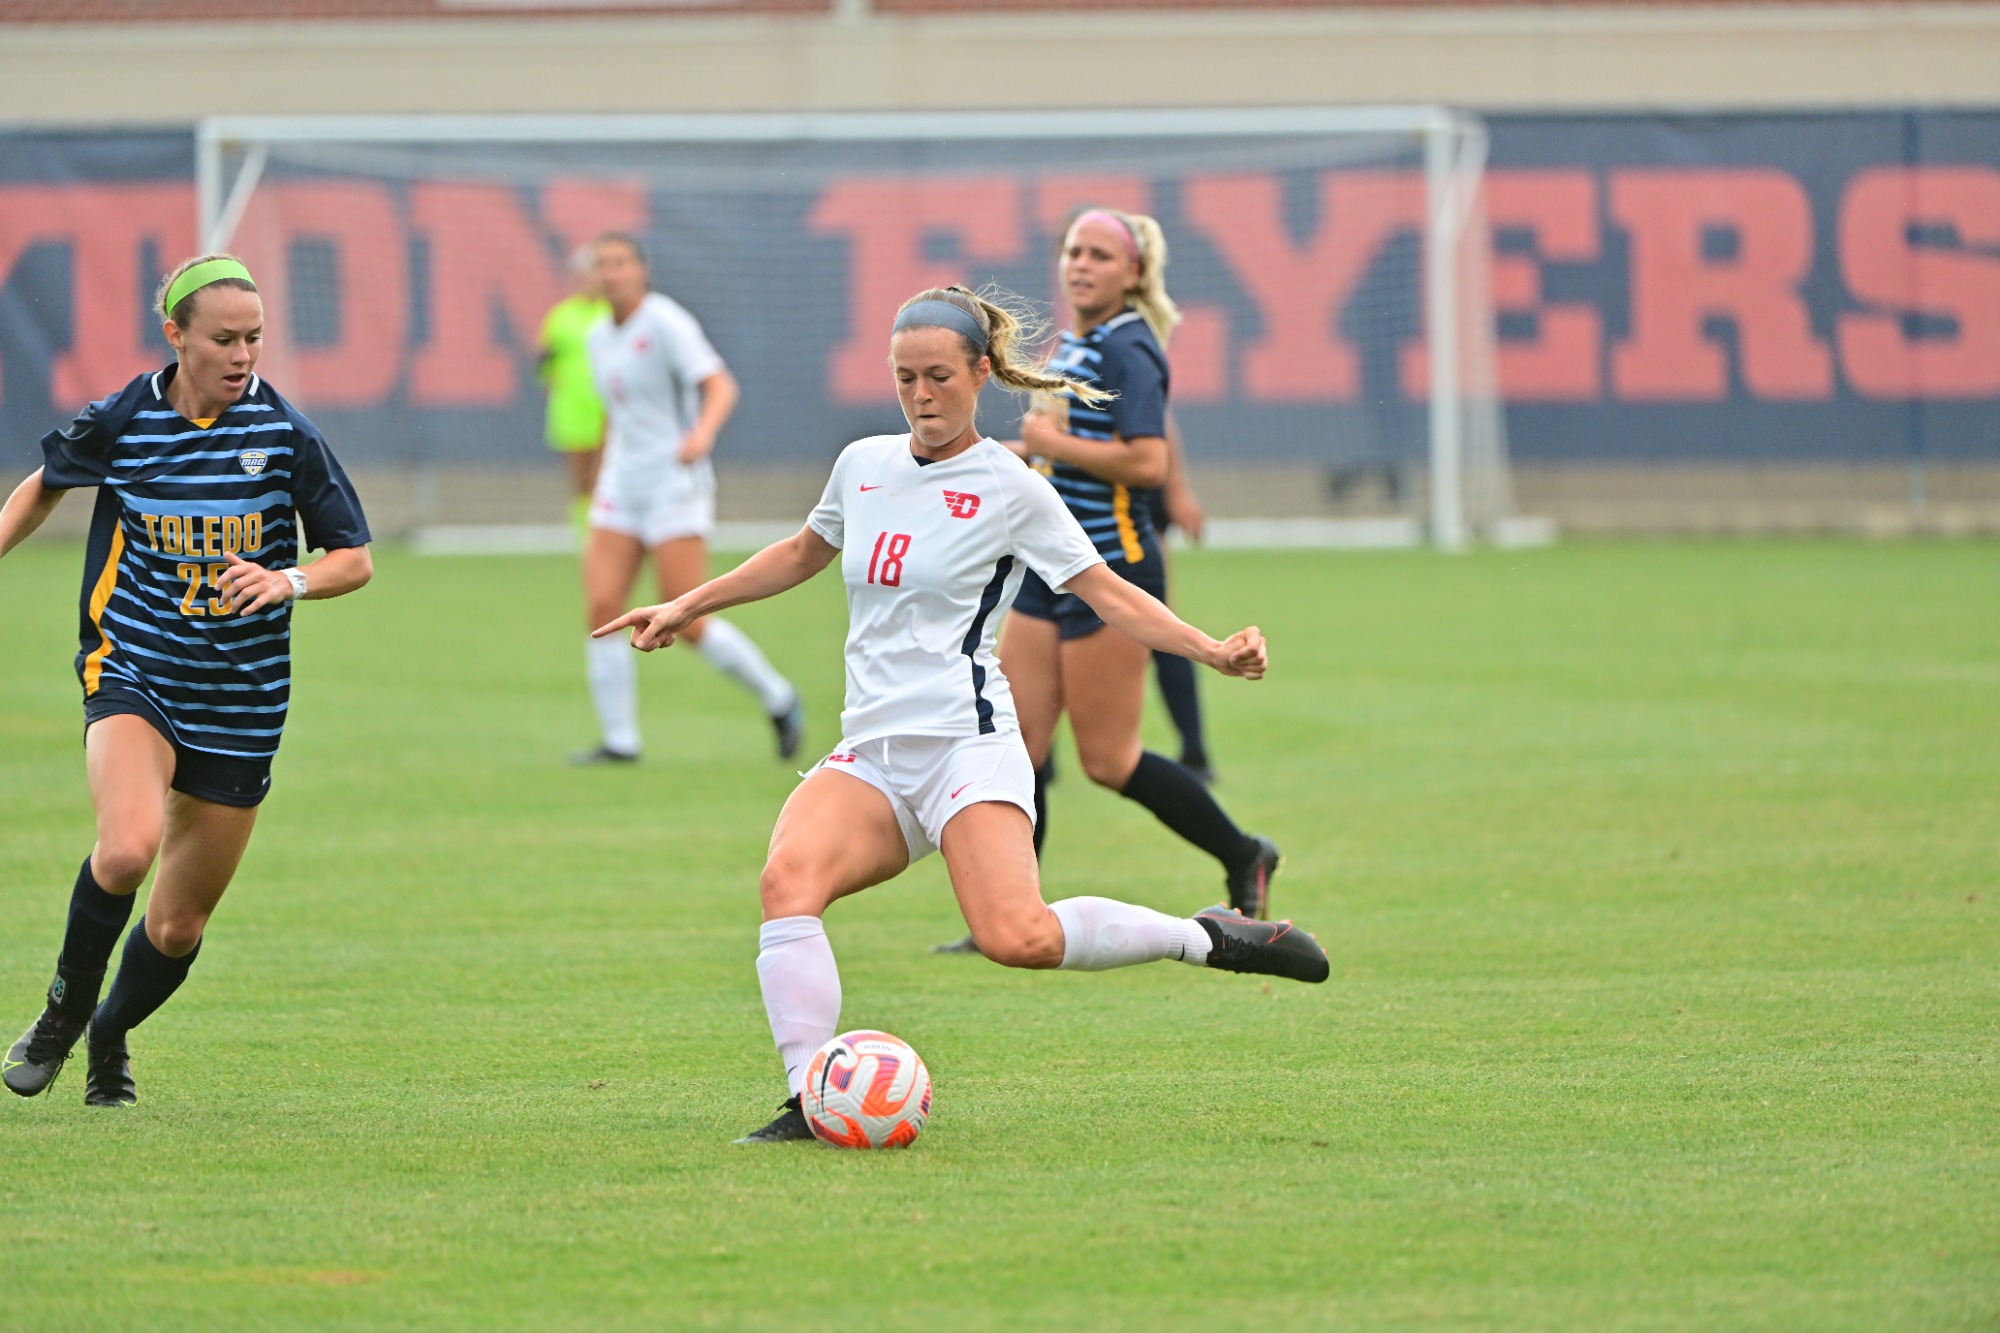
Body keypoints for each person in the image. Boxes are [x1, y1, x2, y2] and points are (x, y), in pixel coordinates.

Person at [593, 285, 1328, 1145]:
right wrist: (687, 604)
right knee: (786, 884)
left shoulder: (1010, 486)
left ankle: (1205, 935)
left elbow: (1106, 593)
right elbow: (802, 551)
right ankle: (812, 1095)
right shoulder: (861, 463)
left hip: (967, 750)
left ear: (982, 373)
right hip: (873, 751)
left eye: (939, 375)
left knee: (1018, 936)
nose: (921, 394)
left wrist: (1208, 649)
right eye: (905, 377)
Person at [0, 253, 372, 1107]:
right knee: (126, 846)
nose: (243, 355)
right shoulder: (125, 417)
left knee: (177, 925)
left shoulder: (283, 433)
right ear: (176, 336)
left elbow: (355, 558)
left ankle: (109, 1031)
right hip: (132, 666)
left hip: (241, 699)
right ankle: (62, 1012)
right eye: (224, 338)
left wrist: (291, 580)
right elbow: (43, 487)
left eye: (255, 338)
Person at [1000, 207, 1278, 918]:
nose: (1081, 264)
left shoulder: (1131, 347)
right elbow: (1047, 449)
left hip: (1114, 566)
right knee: (1014, 746)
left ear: (1133, 273)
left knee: (1108, 760)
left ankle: (1242, 852)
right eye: (1073, 250)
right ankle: (1011, 911)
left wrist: (1053, 447)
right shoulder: (1074, 345)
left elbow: (1148, 460)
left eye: (1099, 253)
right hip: (1049, 565)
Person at [575, 231, 803, 765]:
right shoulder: (595, 336)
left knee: (688, 617)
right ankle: (620, 741)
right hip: (621, 487)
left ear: (640, 270)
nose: (610, 273)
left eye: (619, 263)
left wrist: (700, 436)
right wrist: (601, 465)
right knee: (603, 608)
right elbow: (618, 409)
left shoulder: (665, 321)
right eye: (600, 264)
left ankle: (779, 698)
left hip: (673, 485)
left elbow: (720, 385)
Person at [1139, 414, 1215, 782]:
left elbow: (1153, 402)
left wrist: (1177, 487)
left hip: (1124, 497)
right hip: (1076, 486)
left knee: (1158, 622)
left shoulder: (1124, 356)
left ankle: (1195, 749)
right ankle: (1039, 757)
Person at [536, 245, 611, 533]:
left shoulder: (611, 313)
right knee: (580, 481)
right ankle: (586, 540)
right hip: (572, 410)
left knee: (604, 481)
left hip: (607, 410)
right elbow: (544, 361)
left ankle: (608, 537)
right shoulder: (560, 316)